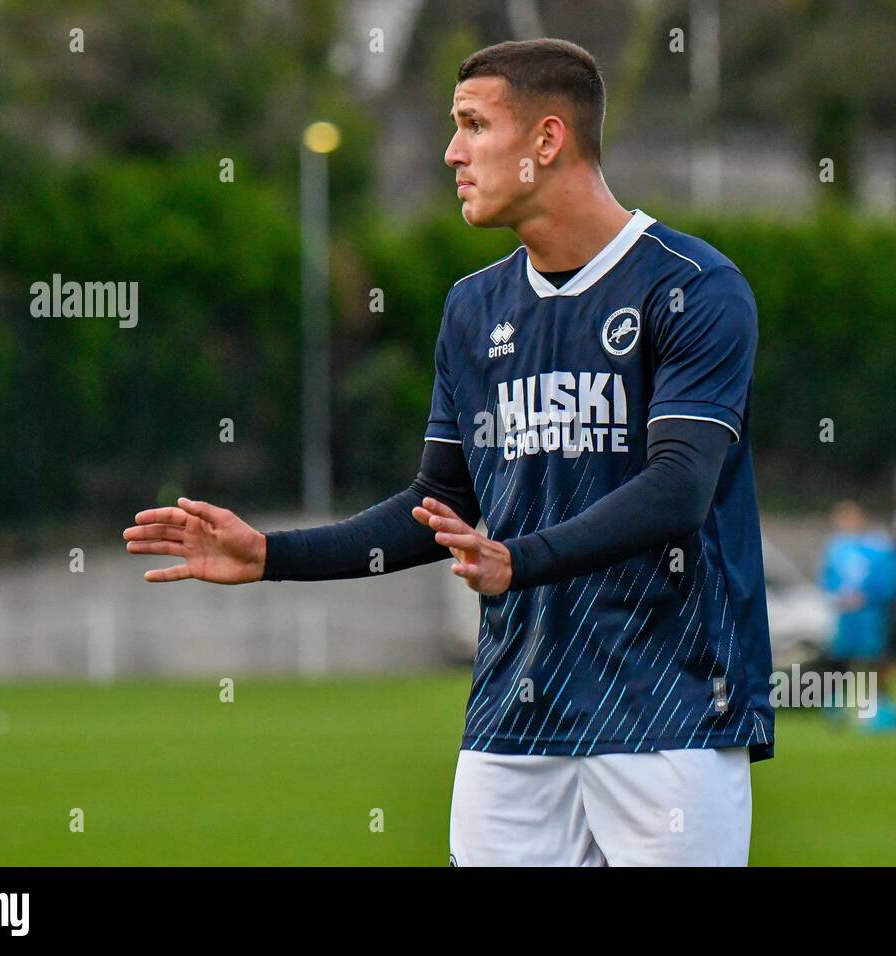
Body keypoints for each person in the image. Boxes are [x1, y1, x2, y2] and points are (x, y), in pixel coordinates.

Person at [124, 39, 771, 866]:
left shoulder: (694, 287)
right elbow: (439, 508)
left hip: (670, 715)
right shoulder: (474, 309)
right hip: (513, 720)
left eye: (473, 125)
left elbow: (679, 488)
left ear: (546, 140)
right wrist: (271, 555)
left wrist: (520, 559)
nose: (452, 152)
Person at [819, 501, 896, 668]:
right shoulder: (835, 547)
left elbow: (890, 580)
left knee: (869, 658)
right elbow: (827, 578)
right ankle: (846, 691)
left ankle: (868, 691)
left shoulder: (879, 546)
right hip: (844, 615)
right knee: (843, 658)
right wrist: (838, 596)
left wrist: (867, 596)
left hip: (870, 614)